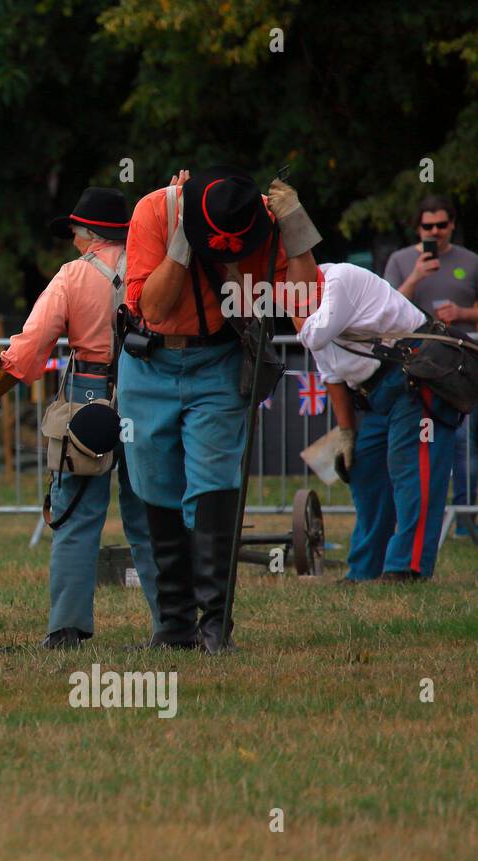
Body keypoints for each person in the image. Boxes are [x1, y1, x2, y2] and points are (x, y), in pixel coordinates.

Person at [118, 166, 321, 653]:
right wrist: (183, 244)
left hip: (219, 362)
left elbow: (306, 304)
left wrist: (296, 230)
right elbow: (154, 308)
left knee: (215, 486)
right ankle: (173, 626)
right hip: (150, 364)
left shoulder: (267, 224)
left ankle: (215, 626)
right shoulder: (153, 211)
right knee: (156, 489)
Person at [0, 187, 159, 648]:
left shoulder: (71, 277)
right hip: (147, 393)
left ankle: (67, 630)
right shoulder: (152, 268)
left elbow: (29, 347)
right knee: (150, 516)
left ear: (89, 233)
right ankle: (171, 626)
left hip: (88, 396)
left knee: (76, 515)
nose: (72, 236)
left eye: (75, 229)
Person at [296, 262, 459, 581]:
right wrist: (346, 433)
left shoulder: (338, 281)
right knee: (364, 468)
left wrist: (293, 309)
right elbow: (331, 374)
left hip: (414, 379)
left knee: (413, 471)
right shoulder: (309, 306)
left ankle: (407, 567)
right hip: (375, 395)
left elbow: (313, 337)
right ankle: (365, 569)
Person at [383, 196, 478, 528]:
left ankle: (466, 521)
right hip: (414, 364)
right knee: (413, 445)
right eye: (428, 226)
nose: (435, 232)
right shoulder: (400, 260)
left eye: (441, 224)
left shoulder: (471, 261)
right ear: (418, 227)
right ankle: (415, 518)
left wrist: (463, 313)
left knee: (463, 443)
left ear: (452, 224)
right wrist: (416, 276)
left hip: (461, 365)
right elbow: (385, 308)